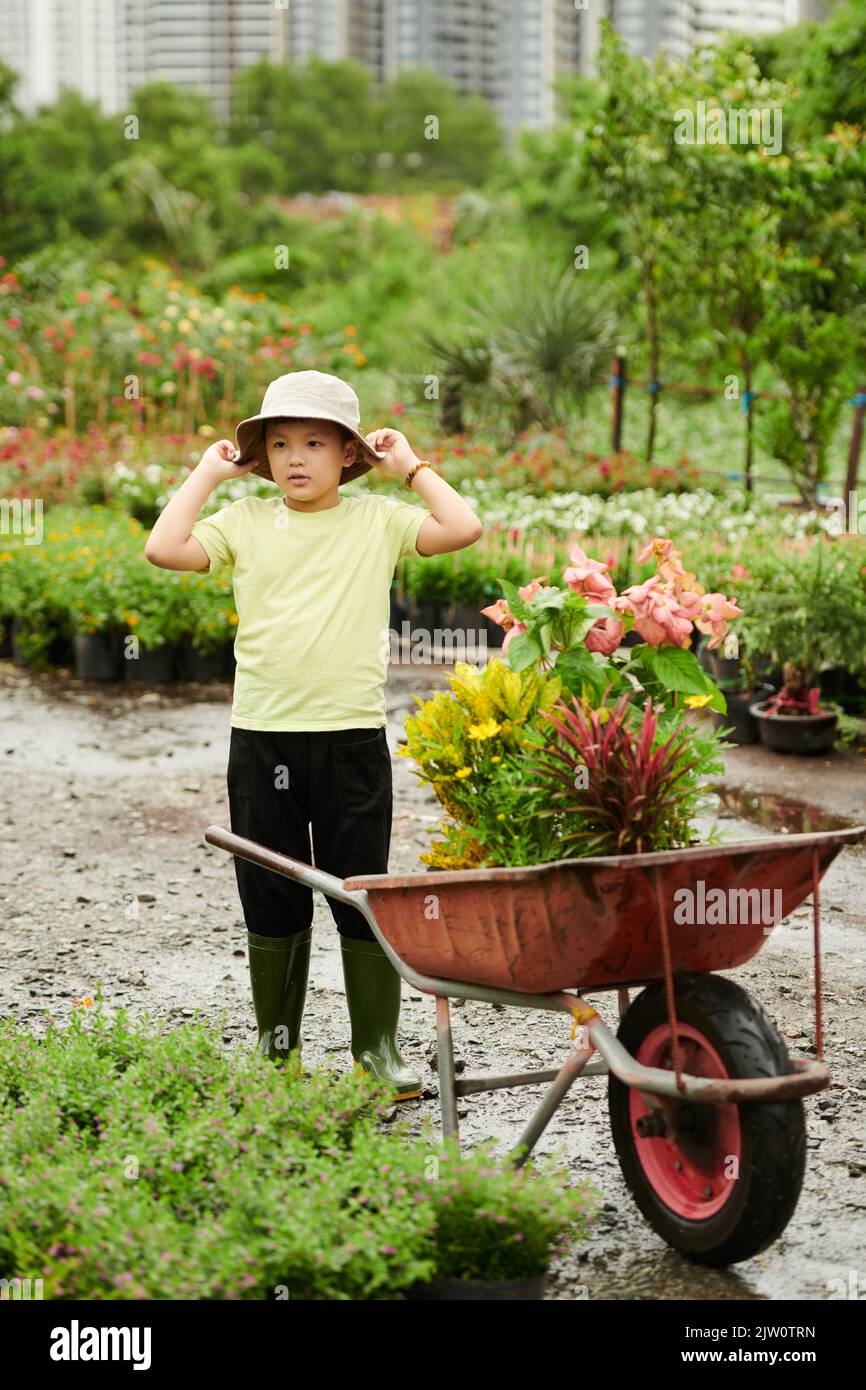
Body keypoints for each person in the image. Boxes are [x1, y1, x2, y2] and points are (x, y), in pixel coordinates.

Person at [144, 370, 483, 1101]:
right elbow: (164, 548)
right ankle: (278, 1056)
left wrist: (413, 469)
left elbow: (463, 527)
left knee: (360, 892)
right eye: (280, 443)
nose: (296, 457)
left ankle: (378, 1053)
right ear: (260, 455)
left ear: (350, 454)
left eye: (315, 442)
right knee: (270, 893)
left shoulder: (377, 520)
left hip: (350, 738)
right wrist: (206, 473)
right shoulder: (244, 521)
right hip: (261, 736)